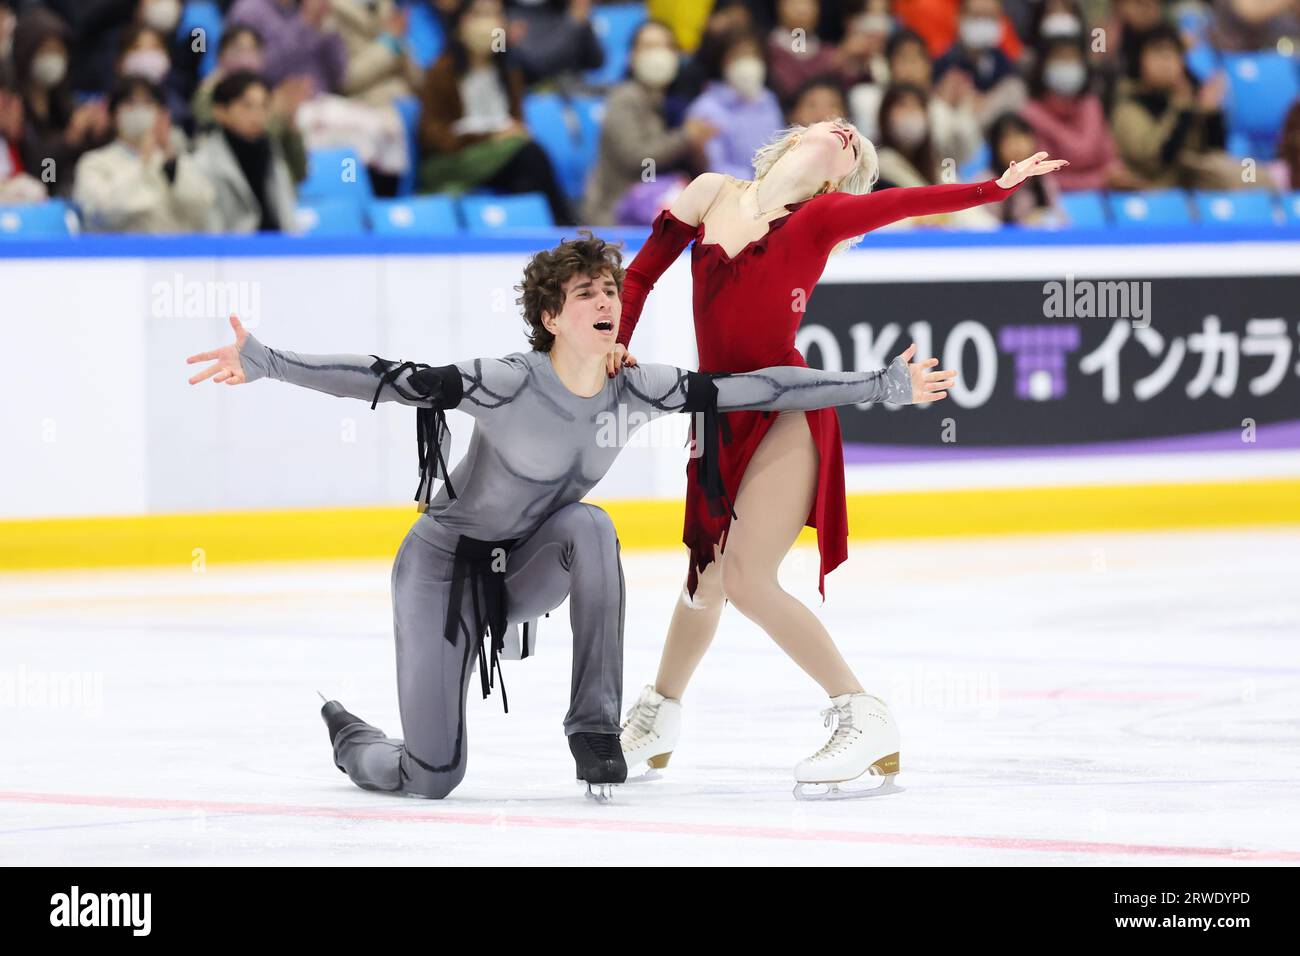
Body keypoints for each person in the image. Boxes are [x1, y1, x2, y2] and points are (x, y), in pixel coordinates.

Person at [184, 233, 957, 800]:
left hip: (529, 567)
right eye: (585, 293)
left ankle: (595, 728)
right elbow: (388, 379)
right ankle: (353, 739)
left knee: (591, 526)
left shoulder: (637, 387)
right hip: (443, 566)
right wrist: (269, 361)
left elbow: (761, 388)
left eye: (611, 292)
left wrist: (876, 387)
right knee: (432, 776)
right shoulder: (506, 382)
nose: (605, 303)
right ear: (552, 316)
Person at [606, 125, 1063, 794]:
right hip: (716, 410)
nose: (843, 132)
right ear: (792, 139)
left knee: (745, 578)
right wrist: (618, 342)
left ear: (834, 181)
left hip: (787, 406)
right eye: (833, 126)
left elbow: (909, 202)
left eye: (853, 146)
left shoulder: (820, 218)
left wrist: (993, 188)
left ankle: (861, 712)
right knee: (703, 576)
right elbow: (641, 273)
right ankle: (659, 717)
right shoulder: (709, 194)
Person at [418, 0, 575, 224]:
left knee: (527, 167)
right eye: (480, 14)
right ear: (463, 22)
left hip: (503, 159)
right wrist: (488, 137)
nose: (489, 23)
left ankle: (537, 231)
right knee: (529, 156)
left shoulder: (508, 72)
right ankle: (563, 227)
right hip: (452, 160)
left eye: (495, 15)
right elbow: (431, 136)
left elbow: (516, 124)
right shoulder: (441, 72)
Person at [582, 19, 716, 226]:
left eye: (666, 46)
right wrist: (685, 137)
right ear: (632, 56)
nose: (659, 54)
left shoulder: (669, 103)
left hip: (649, 208)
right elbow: (640, 158)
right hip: (615, 216)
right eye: (649, 47)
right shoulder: (625, 97)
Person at [72, 75, 214, 233]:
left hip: (175, 254)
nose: (139, 111)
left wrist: (171, 165)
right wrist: (142, 162)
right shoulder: (94, 162)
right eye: (130, 103)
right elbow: (102, 212)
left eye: (148, 103)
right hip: (119, 254)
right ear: (114, 114)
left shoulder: (173, 160)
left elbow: (203, 208)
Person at [192, 71, 298, 233]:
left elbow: (287, 215)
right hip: (230, 253)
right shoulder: (202, 164)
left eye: (264, 106)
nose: (257, 115)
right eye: (247, 106)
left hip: (278, 251)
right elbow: (210, 228)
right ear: (220, 111)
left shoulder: (272, 152)